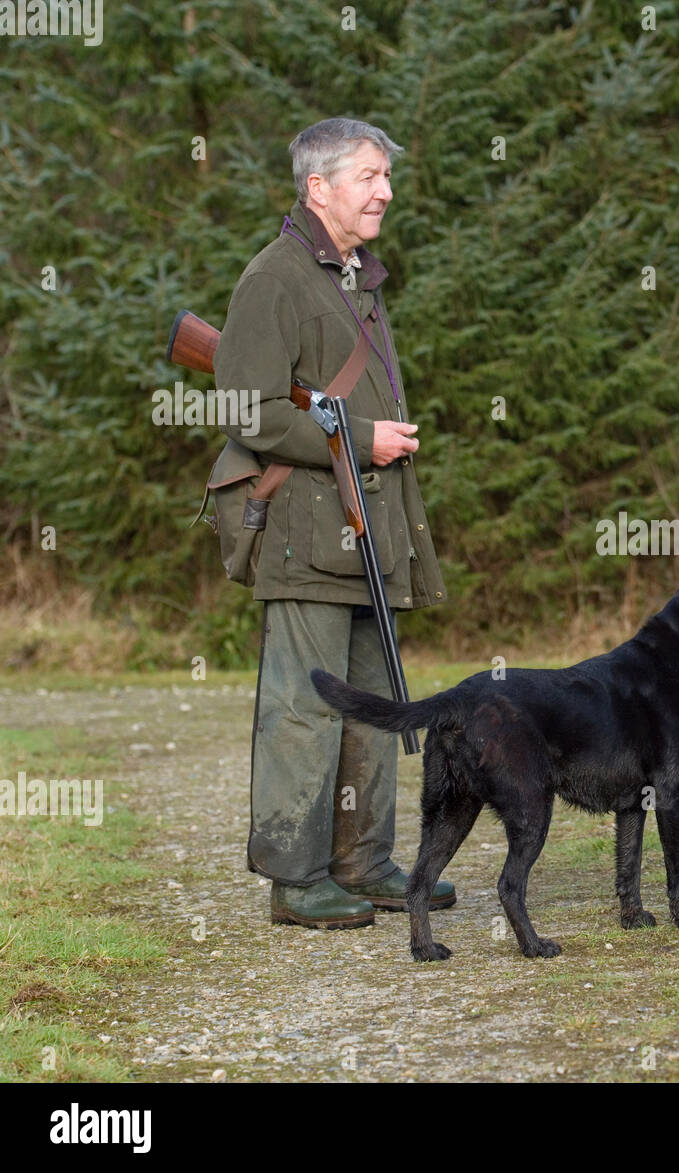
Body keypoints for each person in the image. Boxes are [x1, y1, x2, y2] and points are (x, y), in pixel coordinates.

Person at [213, 116, 455, 929]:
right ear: (319, 188)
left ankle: (362, 862)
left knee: (373, 699)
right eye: (368, 176)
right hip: (308, 533)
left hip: (366, 531)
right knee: (304, 706)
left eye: (387, 176)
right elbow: (247, 411)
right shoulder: (275, 277)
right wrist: (360, 437)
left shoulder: (354, 276)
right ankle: (296, 875)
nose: (386, 190)